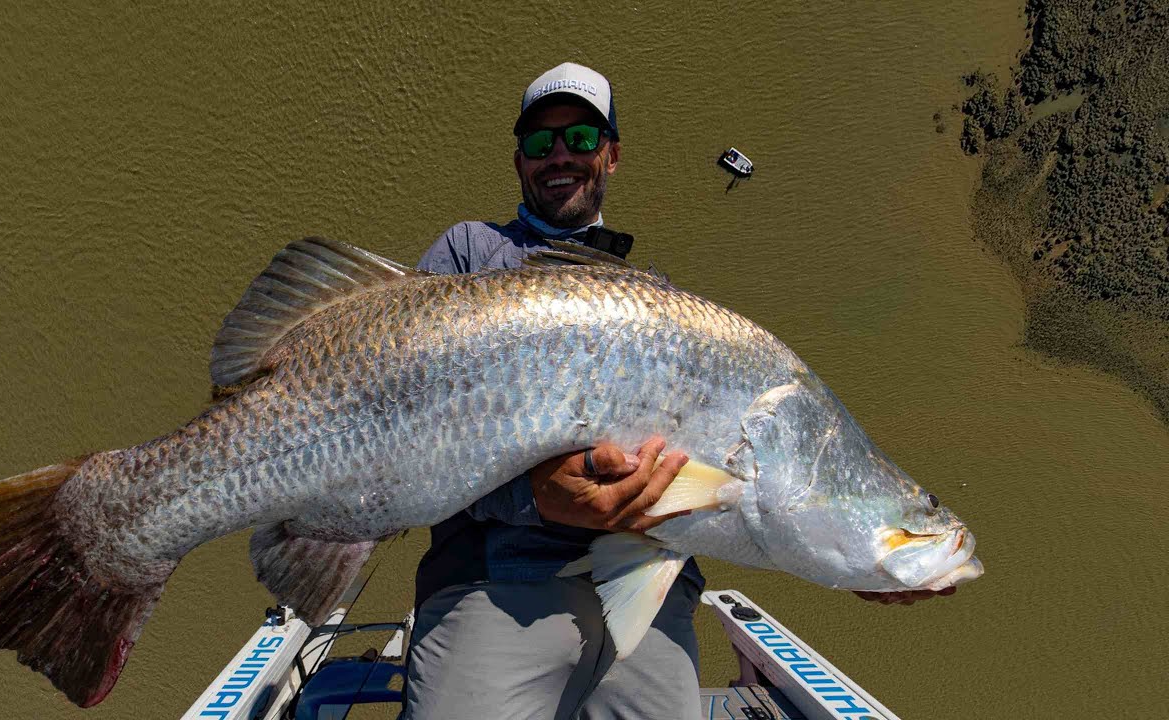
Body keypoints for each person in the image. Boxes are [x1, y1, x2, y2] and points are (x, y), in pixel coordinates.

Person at [403, 61, 952, 720]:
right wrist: (535, 495)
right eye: (540, 141)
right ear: (518, 158)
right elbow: (408, 420)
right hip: (495, 582)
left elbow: (764, 494)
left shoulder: (664, 309)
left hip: (654, 592)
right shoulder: (471, 256)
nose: (559, 156)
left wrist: (853, 557)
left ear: (612, 155)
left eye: (580, 139)